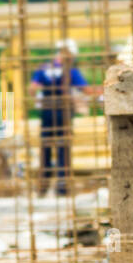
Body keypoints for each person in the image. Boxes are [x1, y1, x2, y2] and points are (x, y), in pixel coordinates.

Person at [28, 39, 99, 195]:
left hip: (47, 113)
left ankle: (42, 187)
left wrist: (42, 95)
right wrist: (104, 89)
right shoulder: (70, 71)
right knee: (63, 149)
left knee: (45, 148)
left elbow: (32, 89)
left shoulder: (43, 69)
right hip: (63, 113)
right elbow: (86, 90)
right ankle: (62, 187)